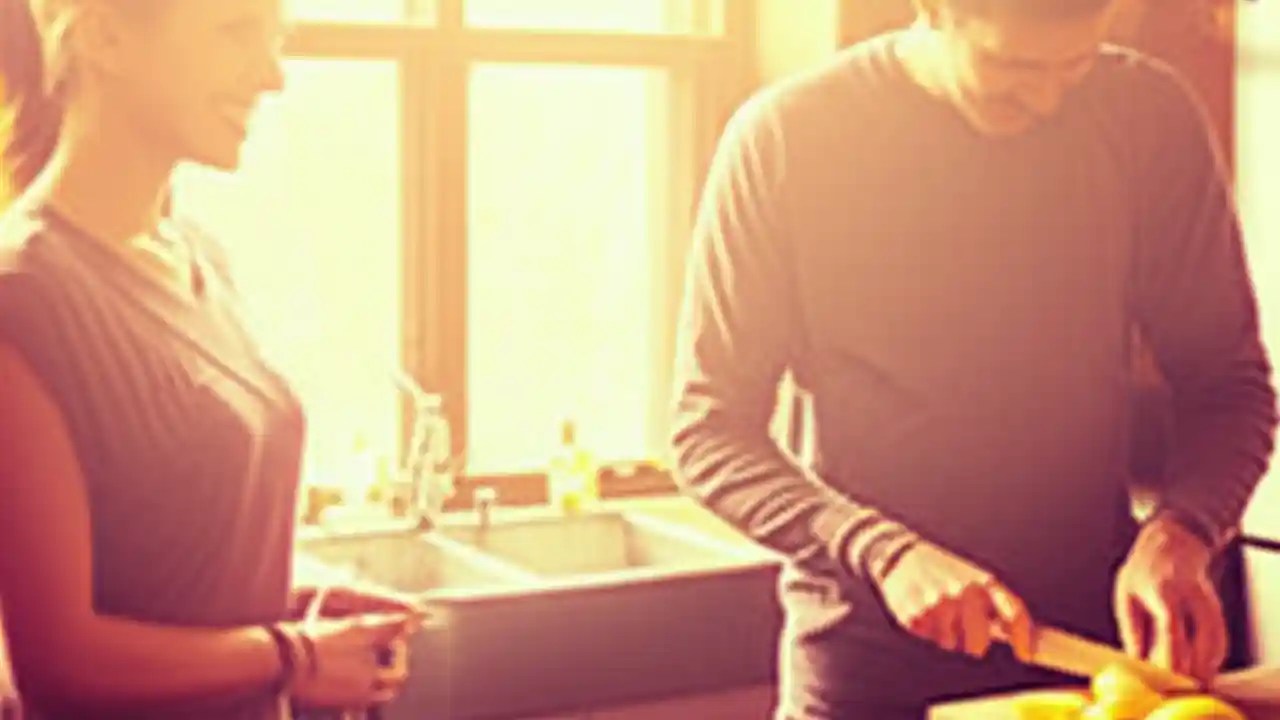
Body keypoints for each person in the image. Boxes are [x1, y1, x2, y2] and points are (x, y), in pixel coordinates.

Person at [671, 0, 1278, 717]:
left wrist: (1184, 531)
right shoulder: (785, 139)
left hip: (1091, 666)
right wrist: (881, 549)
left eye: (1075, 67)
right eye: (1011, 69)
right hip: (869, 667)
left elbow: (1228, 388)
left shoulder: (1149, 118)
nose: (1049, 99)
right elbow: (707, 435)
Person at [0, 0, 427, 717]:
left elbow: (162, 568)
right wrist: (295, 655)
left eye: (276, 39)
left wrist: (296, 608)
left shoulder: (201, 258)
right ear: (105, 37)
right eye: (235, 32)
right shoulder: (24, 296)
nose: (272, 74)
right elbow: (58, 663)